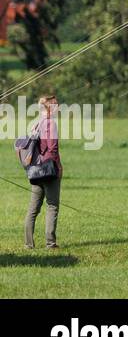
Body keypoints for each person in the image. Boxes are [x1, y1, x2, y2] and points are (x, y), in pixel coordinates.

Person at [25, 93, 62, 250]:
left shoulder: (36, 124)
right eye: (55, 105)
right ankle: (50, 243)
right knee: (52, 205)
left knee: (33, 209)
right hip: (49, 170)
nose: (58, 107)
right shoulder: (51, 124)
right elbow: (52, 149)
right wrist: (58, 167)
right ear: (48, 108)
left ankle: (28, 244)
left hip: (36, 171)